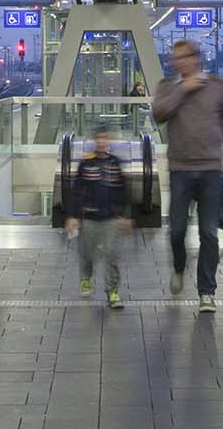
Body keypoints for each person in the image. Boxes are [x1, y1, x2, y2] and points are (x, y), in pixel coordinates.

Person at [152, 38, 223, 313]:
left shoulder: (217, 87)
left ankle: (207, 291)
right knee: (177, 230)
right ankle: (179, 268)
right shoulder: (167, 87)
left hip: (211, 171)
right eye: (174, 58)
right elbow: (158, 114)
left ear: (196, 58)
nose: (177, 62)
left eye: (182, 57)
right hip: (180, 170)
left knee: (209, 233)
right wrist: (183, 90)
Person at [65, 125, 130, 309]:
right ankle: (86, 277)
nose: (102, 141)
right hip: (90, 218)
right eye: (99, 137)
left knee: (112, 254)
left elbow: (123, 190)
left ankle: (113, 292)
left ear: (109, 140)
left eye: (105, 137)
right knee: (87, 253)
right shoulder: (86, 164)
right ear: (95, 140)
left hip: (111, 218)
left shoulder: (114, 163)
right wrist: (73, 216)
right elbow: (76, 191)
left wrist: (125, 216)